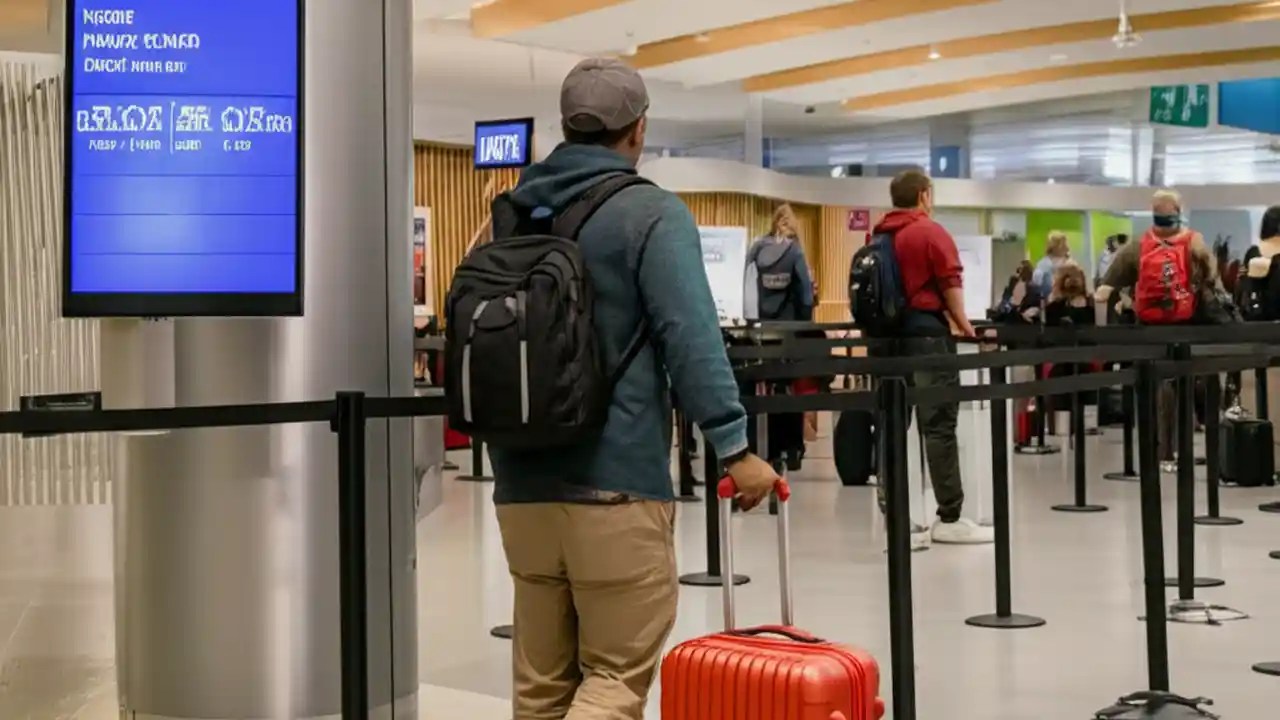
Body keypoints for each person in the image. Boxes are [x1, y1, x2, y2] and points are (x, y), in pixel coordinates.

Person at [487, 57, 780, 720]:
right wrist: (736, 450)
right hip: (615, 485)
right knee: (614, 678)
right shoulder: (650, 214)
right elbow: (691, 339)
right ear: (638, 129)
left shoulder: (514, 211)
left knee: (541, 686)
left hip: (521, 486)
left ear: (566, 126)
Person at [871, 169, 990, 547]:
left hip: (885, 342)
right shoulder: (929, 232)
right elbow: (949, 282)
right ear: (924, 195)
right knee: (938, 424)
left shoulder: (879, 235)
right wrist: (964, 324)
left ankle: (896, 521)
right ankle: (950, 515)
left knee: (892, 424)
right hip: (926, 339)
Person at [1097, 189, 1221, 473]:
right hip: (1186, 329)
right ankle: (1184, 450)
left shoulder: (1139, 245)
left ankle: (1161, 453)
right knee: (1186, 389)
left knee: (1155, 391)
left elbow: (1105, 287)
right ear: (1179, 210)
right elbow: (1212, 283)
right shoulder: (1194, 243)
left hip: (1149, 331)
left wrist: (1125, 300)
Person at [744, 204, 815, 321]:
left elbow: (744, 279)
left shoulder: (756, 248)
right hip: (789, 323)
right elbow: (805, 294)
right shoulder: (795, 251)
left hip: (761, 319)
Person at [1032, 231, 1072, 299]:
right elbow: (1037, 286)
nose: (1067, 248)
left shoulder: (1070, 263)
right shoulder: (1043, 265)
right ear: (1054, 246)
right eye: (1063, 244)